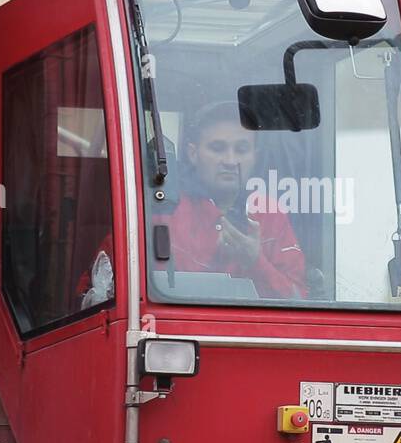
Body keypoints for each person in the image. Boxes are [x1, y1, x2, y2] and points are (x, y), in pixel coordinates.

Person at [77, 101, 306, 306]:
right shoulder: (162, 209)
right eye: (217, 148)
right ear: (193, 153)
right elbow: (92, 294)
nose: (230, 160)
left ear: (254, 156)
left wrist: (255, 261)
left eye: (241, 149)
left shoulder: (269, 213)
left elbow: (299, 301)